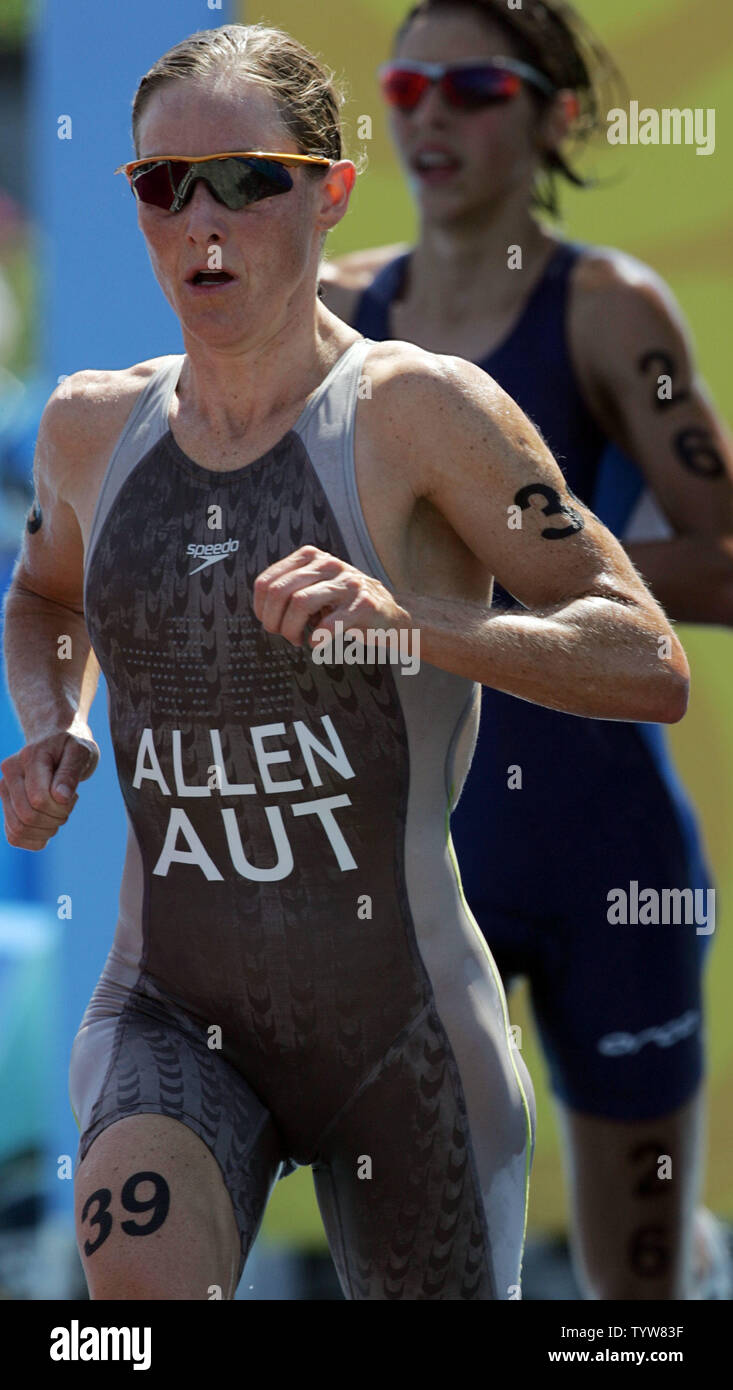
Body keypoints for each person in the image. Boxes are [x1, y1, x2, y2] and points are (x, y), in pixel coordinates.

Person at [0, 22, 687, 1302]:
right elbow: (40, 596)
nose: (202, 216)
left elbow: (646, 656)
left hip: (403, 1034)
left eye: (247, 178)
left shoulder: (419, 411)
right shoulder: (90, 425)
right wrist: (56, 720)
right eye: (164, 184)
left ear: (329, 191)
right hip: (165, 1014)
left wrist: (412, 624)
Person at [319, 0, 733, 1299]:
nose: (430, 111)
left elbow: (725, 562)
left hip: (610, 861)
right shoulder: (331, 307)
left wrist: (465, 579)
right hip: (422, 862)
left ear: (552, 116)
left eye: (474, 89)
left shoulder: (612, 312)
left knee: (640, 1286)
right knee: (428, 1269)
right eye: (406, 83)